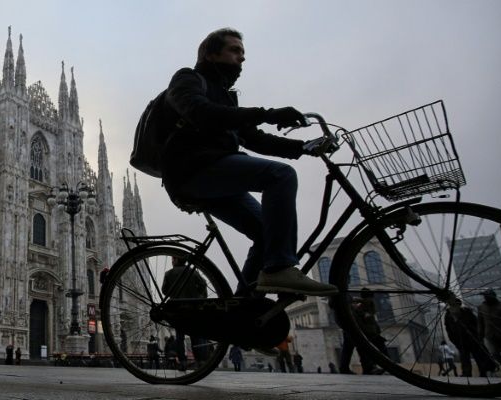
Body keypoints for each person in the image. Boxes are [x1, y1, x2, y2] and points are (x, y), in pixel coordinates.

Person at [157, 28, 338, 297]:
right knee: (281, 176)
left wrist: (302, 147)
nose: (241, 58)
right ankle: (279, 267)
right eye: (234, 50)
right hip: (191, 172)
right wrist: (267, 114)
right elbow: (200, 112)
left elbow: (254, 139)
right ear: (210, 53)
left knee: (267, 234)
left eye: (243, 53)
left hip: (218, 176)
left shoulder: (227, 96)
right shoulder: (188, 79)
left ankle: (242, 317)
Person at [162, 256, 209, 370]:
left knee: (180, 337)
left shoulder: (169, 273)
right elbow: (203, 285)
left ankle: (182, 361)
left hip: (178, 309)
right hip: (193, 307)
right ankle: (200, 361)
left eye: (173, 259)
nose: (172, 261)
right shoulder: (192, 272)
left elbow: (164, 290)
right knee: (195, 336)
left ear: (177, 260)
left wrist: (174, 293)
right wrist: (197, 295)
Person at [339, 288, 386, 375]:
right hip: (355, 327)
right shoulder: (361, 304)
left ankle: (345, 368)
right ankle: (368, 368)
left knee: (349, 348)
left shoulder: (359, 303)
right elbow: (368, 319)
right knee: (361, 347)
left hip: (352, 326)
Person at [444, 299, 493, 377]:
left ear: (459, 304)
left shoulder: (466, 311)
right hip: (460, 340)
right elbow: (448, 329)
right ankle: (467, 373)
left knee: (477, 356)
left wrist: (477, 335)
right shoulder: (448, 315)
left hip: (471, 338)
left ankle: (482, 372)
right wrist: (454, 340)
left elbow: (476, 323)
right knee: (464, 357)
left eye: (456, 304)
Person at [478, 289, 501, 377]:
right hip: (490, 335)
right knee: (494, 354)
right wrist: (480, 335)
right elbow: (480, 322)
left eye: (487, 296)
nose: (485, 298)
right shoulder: (481, 307)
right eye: (484, 296)